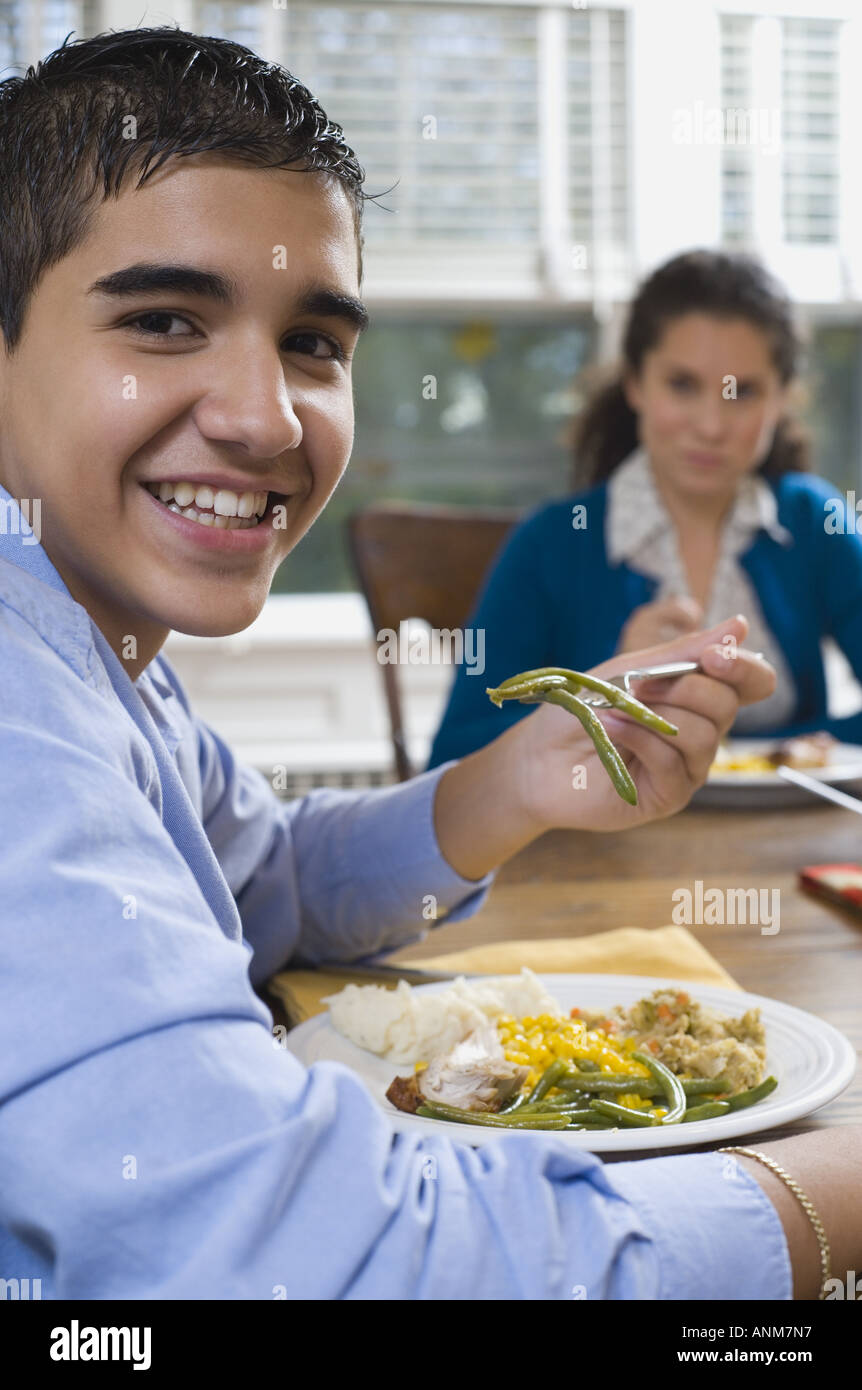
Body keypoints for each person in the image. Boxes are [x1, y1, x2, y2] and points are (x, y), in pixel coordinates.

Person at [0, 26, 858, 1303]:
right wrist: (826, 1194)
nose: (268, 415)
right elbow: (337, 1265)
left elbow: (263, 878)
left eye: (314, 344)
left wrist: (515, 782)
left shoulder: (92, 649)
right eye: (166, 318)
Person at [428, 250, 862, 768]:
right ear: (635, 384)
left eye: (743, 392)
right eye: (682, 385)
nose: (710, 425)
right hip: (601, 847)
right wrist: (606, 695)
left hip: (786, 844)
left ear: (783, 398)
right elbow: (456, 755)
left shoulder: (815, 522)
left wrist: (785, 752)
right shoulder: (549, 542)